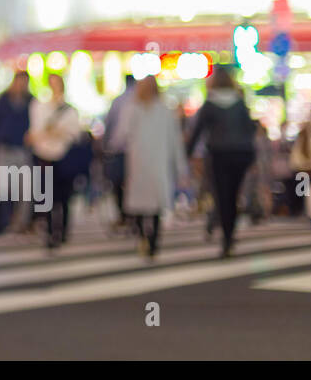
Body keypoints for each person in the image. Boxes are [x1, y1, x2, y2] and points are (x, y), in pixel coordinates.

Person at [187, 67, 256, 257]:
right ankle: (230, 233)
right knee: (233, 195)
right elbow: (250, 129)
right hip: (240, 154)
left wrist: (188, 154)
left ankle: (226, 236)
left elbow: (197, 132)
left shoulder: (210, 103)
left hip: (218, 154)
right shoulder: (239, 102)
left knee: (222, 196)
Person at [119, 75, 189, 257]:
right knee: (148, 206)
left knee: (148, 206)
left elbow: (121, 136)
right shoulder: (140, 109)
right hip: (148, 163)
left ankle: (147, 239)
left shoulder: (153, 110)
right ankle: (149, 239)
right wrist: (180, 166)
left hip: (145, 162)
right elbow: (175, 141)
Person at [25, 73, 84, 249]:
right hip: (44, 157)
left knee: (64, 198)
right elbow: (34, 134)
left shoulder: (69, 110)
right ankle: (51, 232)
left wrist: (53, 133)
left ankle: (63, 231)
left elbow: (74, 134)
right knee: (48, 197)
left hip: (64, 158)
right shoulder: (39, 106)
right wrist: (54, 133)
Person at [0, 70, 33, 232]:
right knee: (4, 188)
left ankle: (22, 221)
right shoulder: (3, 99)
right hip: (4, 148)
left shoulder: (31, 101)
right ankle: (5, 219)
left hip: (22, 149)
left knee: (25, 189)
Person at [101, 74, 137, 233]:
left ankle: (124, 215)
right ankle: (134, 215)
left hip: (119, 150)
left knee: (118, 184)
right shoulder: (140, 100)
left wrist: (105, 145)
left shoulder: (118, 101)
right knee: (133, 184)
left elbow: (108, 124)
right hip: (136, 151)